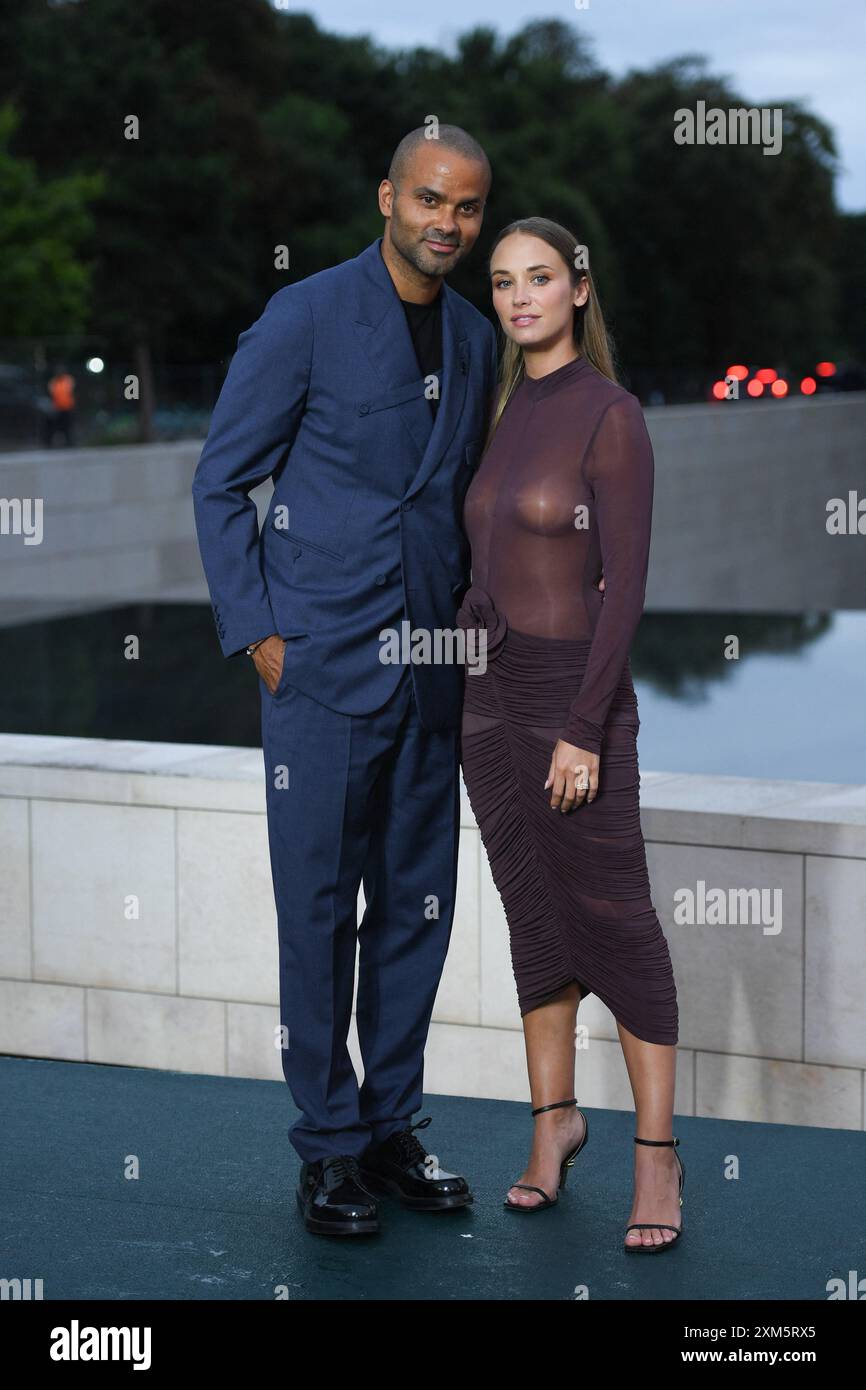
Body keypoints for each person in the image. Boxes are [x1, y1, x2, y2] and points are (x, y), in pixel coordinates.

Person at [192, 126, 498, 1237]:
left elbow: (454, 508)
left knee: (417, 911)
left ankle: (388, 1125)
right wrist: (258, 634)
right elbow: (222, 480)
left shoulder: (472, 338)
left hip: (429, 678)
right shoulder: (306, 316)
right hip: (318, 669)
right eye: (428, 200)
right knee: (316, 915)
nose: (444, 223)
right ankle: (324, 1148)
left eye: (464, 209)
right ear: (387, 196)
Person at [457, 217, 684, 1253]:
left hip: (571, 701)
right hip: (489, 698)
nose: (518, 297)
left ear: (577, 289)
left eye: (538, 277)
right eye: (502, 282)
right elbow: (487, 557)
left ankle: (655, 1158)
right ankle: (551, 1130)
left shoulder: (609, 415)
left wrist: (585, 726)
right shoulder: (505, 408)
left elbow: (623, 587)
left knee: (618, 924)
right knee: (532, 920)